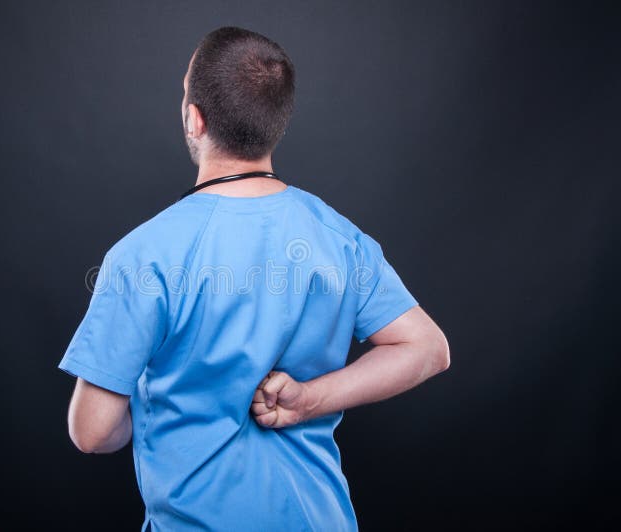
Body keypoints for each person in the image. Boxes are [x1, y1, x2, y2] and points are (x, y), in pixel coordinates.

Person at [58, 26, 450, 532]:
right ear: (275, 124)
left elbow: (92, 432)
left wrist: (153, 401)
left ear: (194, 118)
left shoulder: (143, 255)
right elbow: (428, 349)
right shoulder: (339, 237)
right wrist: (311, 399)